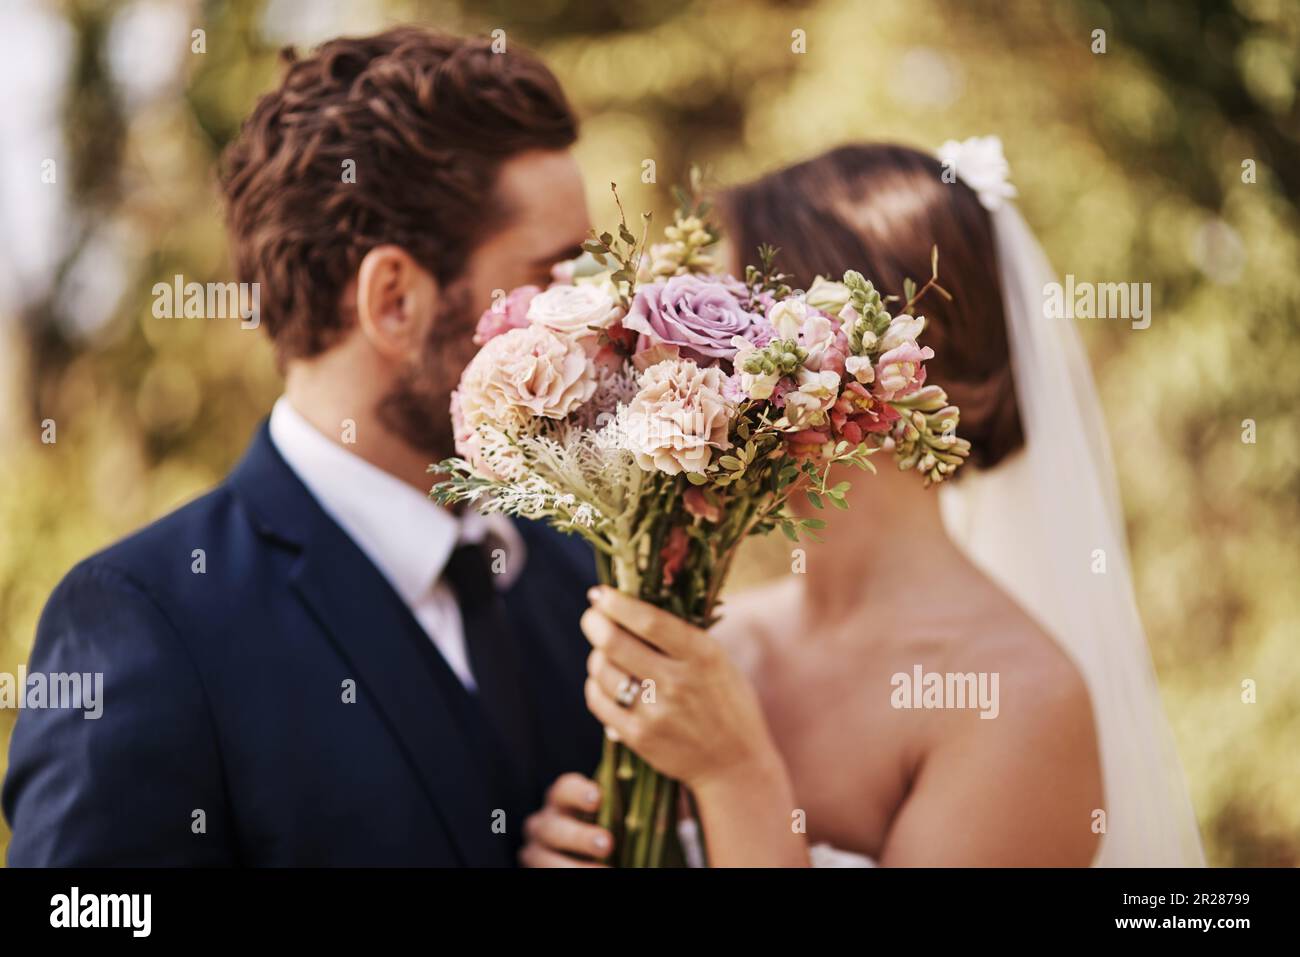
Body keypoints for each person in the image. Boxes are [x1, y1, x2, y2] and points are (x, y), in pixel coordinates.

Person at [3, 27, 603, 866]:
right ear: (394, 299)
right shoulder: (142, 626)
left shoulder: (580, 578)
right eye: (557, 277)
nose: (600, 321)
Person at [521, 141, 1205, 867]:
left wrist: (738, 776)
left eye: (726, 342)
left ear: (858, 369)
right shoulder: (720, 637)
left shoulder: (1019, 700)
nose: (682, 377)